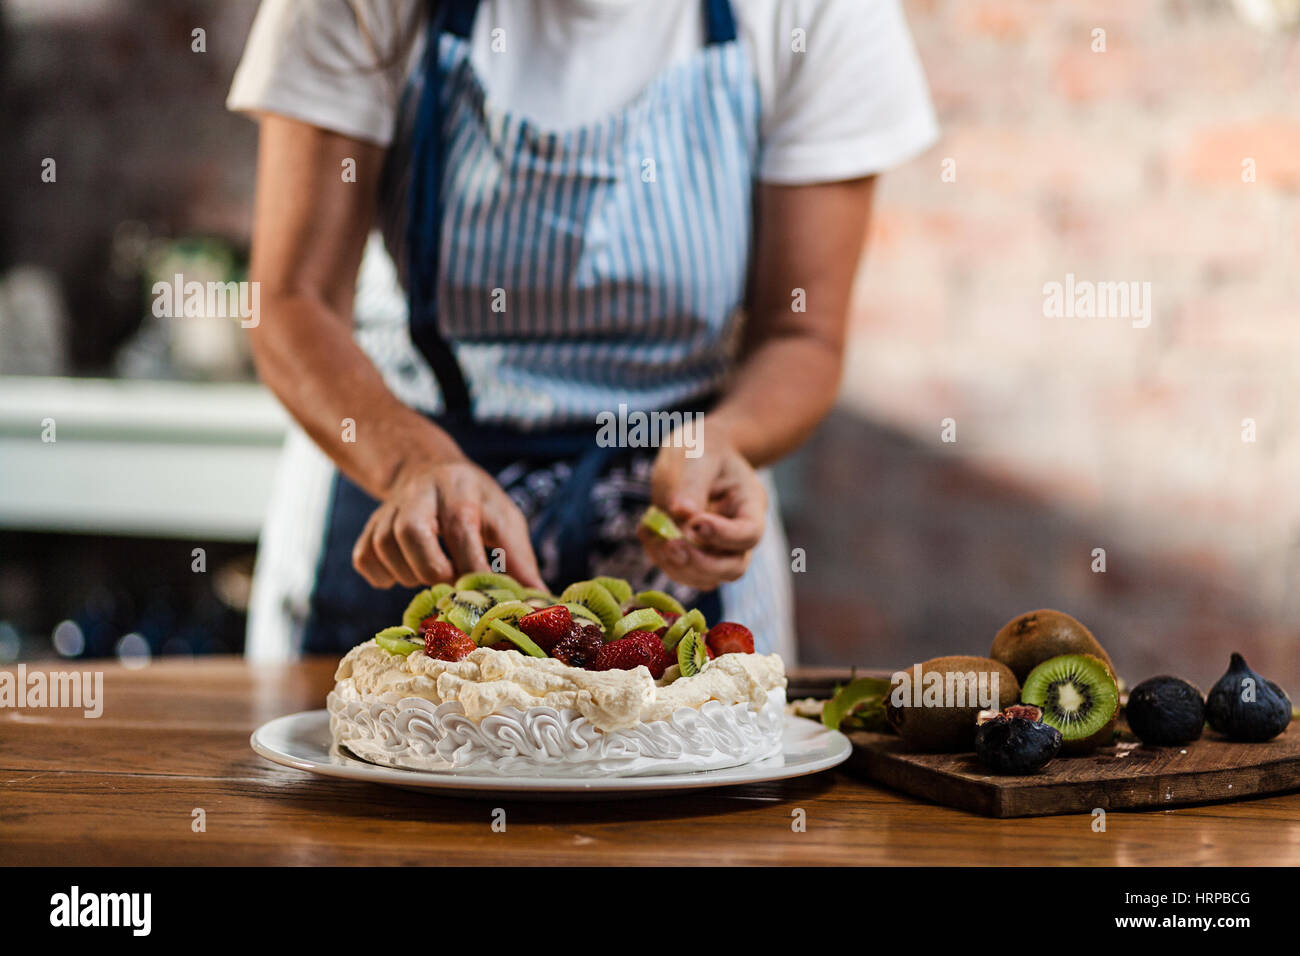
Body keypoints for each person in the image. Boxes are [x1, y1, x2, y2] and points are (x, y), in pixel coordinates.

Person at [227, 0, 937, 660]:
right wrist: (410, 461)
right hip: (399, 485)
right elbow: (292, 300)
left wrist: (726, 440)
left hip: (668, 505)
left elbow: (800, 333)